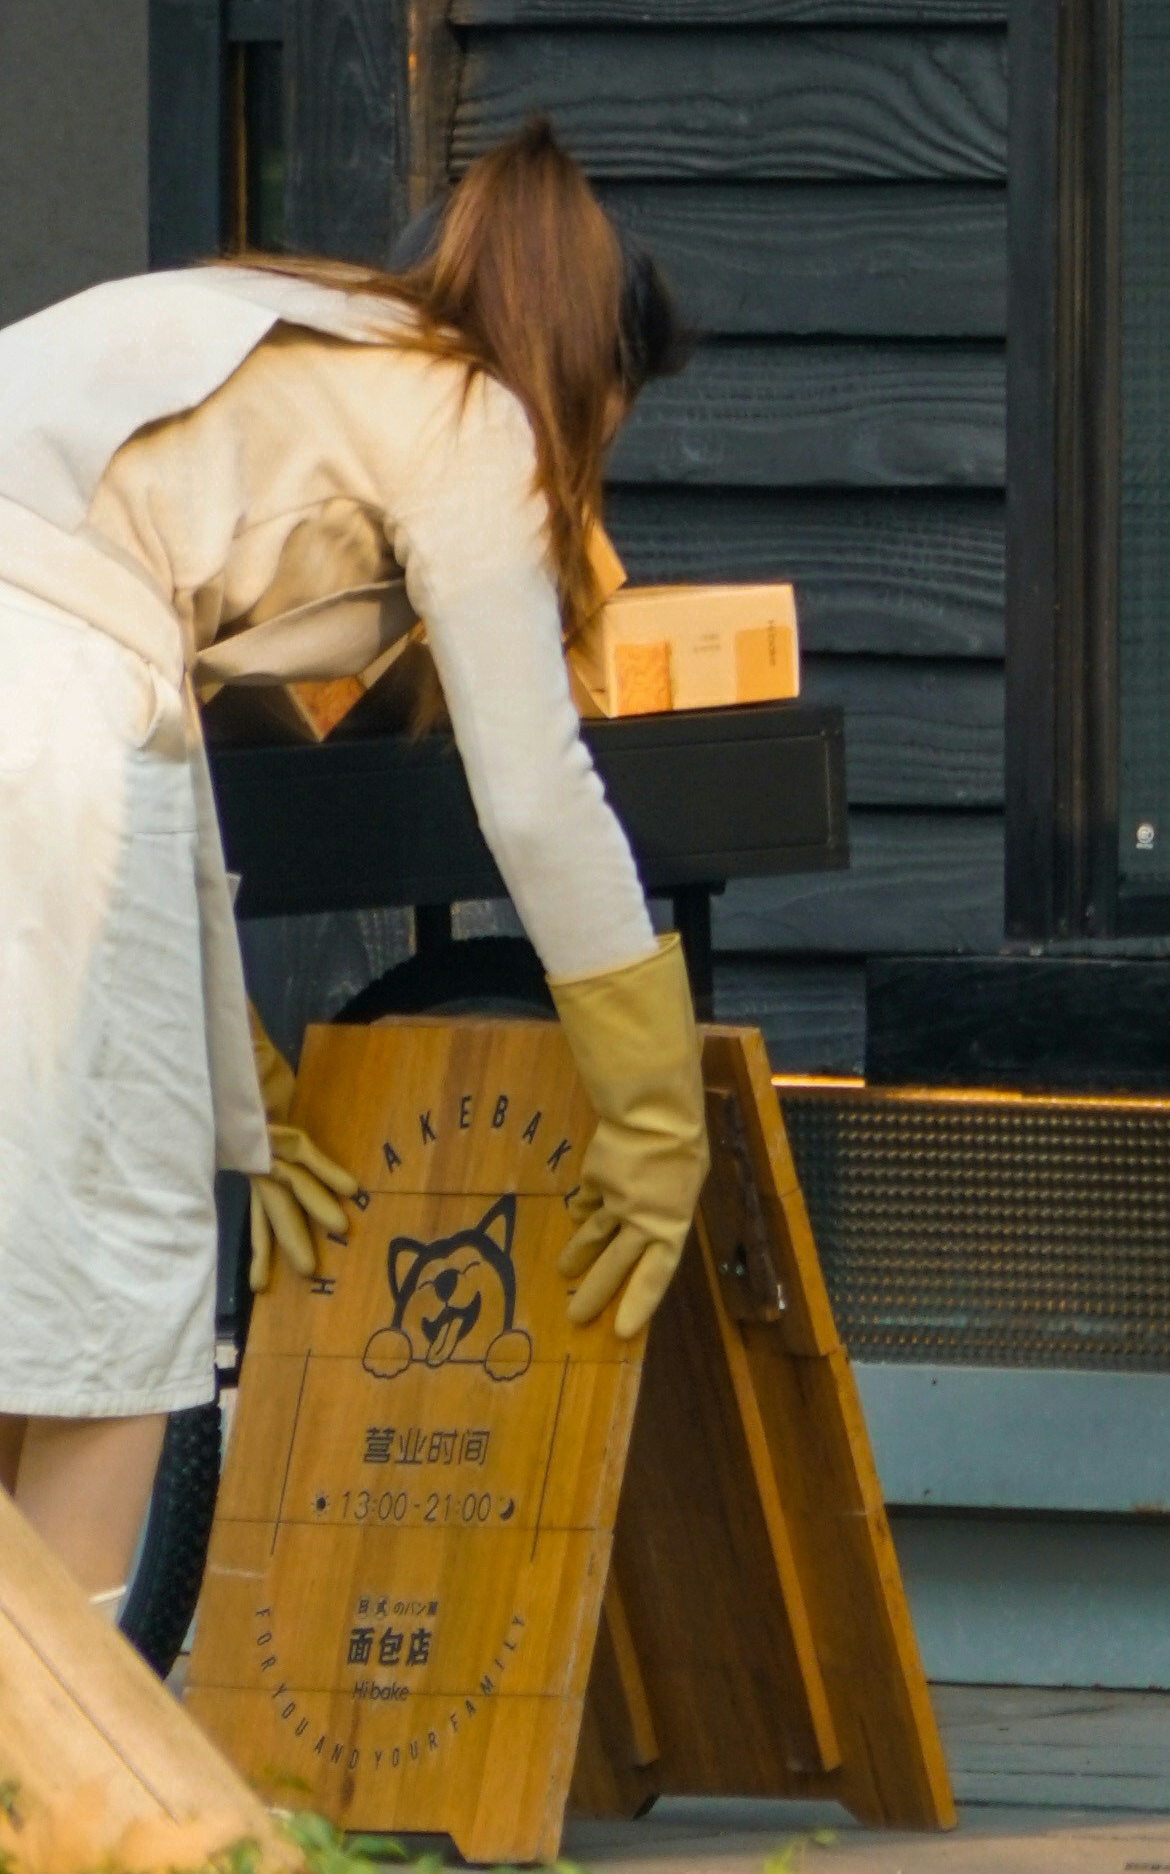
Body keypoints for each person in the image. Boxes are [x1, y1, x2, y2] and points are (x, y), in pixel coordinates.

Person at [0, 124, 714, 1603]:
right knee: (115, 1291)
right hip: (40, 682)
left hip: (55, 664)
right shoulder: (472, 411)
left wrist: (239, 1088)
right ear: (594, 379)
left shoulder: (304, 328)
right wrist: (655, 1100)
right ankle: (59, 1805)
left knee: (27, 1249)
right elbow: (533, 792)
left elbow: (192, 728)